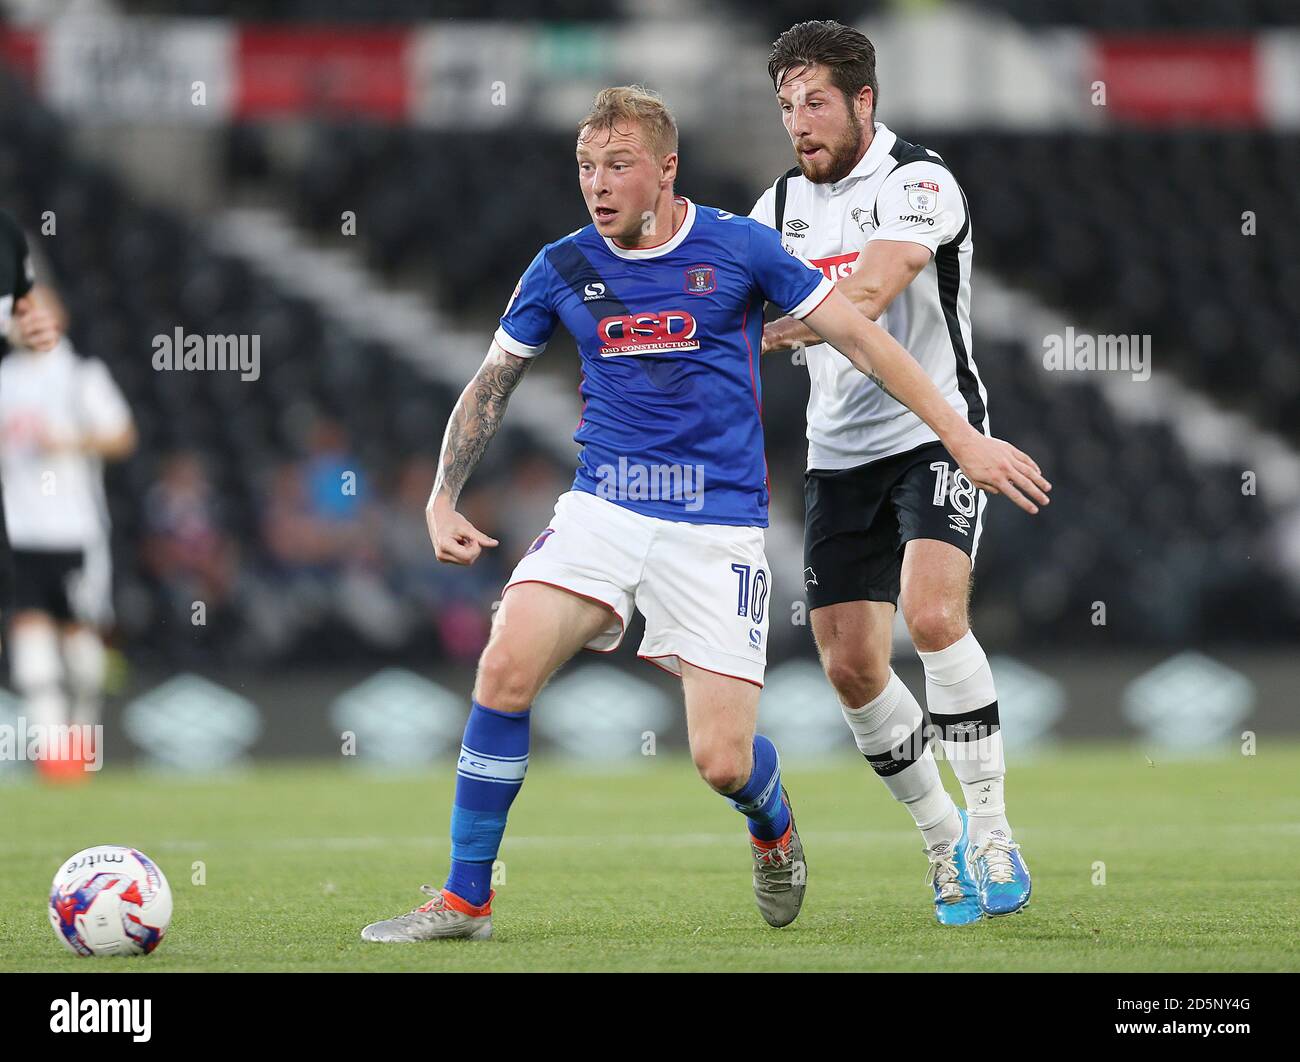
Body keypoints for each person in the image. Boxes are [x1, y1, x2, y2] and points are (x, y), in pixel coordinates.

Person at [361, 85, 1048, 943]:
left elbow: (866, 339)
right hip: (604, 507)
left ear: (666, 168)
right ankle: (466, 900)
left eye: (618, 165)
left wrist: (961, 437)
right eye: (585, 167)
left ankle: (772, 823)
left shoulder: (741, 249)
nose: (598, 185)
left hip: (716, 524)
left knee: (721, 762)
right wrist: (440, 495)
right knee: (504, 668)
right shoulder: (562, 265)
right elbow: (491, 383)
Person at [754, 20, 1040, 923]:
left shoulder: (918, 180)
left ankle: (994, 833)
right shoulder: (777, 206)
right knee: (847, 664)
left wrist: (771, 329)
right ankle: (944, 841)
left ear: (863, 101)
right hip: (837, 454)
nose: (800, 123)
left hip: (934, 432)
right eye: (787, 106)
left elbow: (868, 296)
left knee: (931, 613)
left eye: (816, 103)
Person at [0, 285, 135, 780]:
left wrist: (69, 440)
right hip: (19, 532)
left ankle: (83, 733)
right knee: (31, 644)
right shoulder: (4, 379)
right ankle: (56, 757)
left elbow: (122, 435)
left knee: (82, 652)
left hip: (74, 531)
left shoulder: (80, 375)